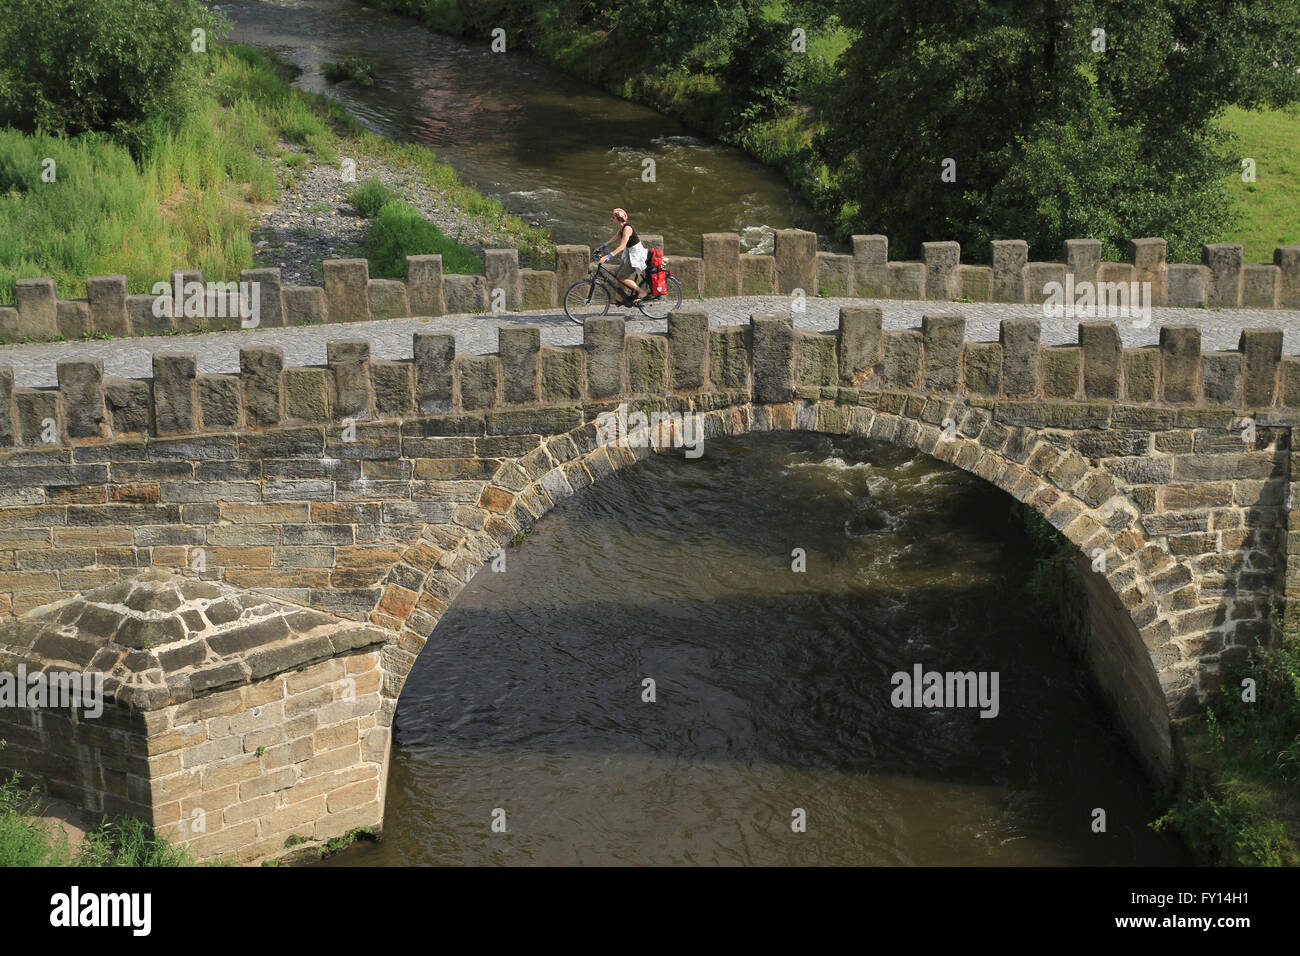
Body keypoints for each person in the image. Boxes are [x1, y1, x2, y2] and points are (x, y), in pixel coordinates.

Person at [596, 208, 649, 305]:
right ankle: (621, 299)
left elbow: (622, 246)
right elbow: (615, 238)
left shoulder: (627, 229)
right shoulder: (622, 227)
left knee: (621, 277)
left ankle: (642, 292)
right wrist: (602, 247)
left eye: (613, 217)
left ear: (618, 218)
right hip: (630, 254)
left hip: (636, 255)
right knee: (618, 275)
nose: (612, 219)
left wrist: (608, 256)